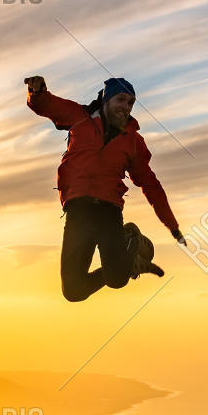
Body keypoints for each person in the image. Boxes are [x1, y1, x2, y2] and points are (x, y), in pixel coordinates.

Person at [25, 74, 186, 302]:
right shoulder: (80, 117)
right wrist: (37, 91)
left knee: (117, 279)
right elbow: (47, 105)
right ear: (106, 99)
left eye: (131, 103)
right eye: (121, 100)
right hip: (78, 210)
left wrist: (172, 225)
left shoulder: (133, 141)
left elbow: (150, 184)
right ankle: (130, 261)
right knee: (73, 291)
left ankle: (130, 238)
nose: (126, 106)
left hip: (108, 210)